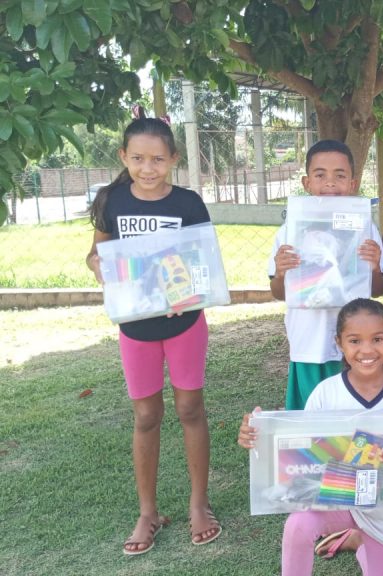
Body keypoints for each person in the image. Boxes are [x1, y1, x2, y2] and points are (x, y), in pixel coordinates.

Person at [85, 117, 222, 554]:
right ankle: (148, 513)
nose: (148, 168)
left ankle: (198, 504)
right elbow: (95, 252)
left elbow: (203, 261)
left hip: (184, 322)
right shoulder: (112, 201)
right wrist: (98, 265)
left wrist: (190, 290)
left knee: (190, 408)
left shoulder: (188, 203)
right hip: (136, 327)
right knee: (146, 415)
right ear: (123, 157)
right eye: (138, 158)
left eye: (158, 159)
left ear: (174, 159)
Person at [238, 299, 383, 576]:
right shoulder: (326, 393)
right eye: (355, 341)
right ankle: (349, 532)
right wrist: (259, 432)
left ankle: (359, 539)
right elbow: (301, 453)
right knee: (298, 525)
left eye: (377, 339)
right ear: (339, 343)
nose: (366, 350)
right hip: (334, 501)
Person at [268, 140, 383, 410]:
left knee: (352, 409)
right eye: (320, 175)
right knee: (311, 413)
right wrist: (281, 274)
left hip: (355, 340)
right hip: (308, 341)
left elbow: (377, 290)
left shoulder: (364, 228)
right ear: (306, 182)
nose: (330, 183)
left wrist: (373, 266)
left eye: (340, 175)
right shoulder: (290, 231)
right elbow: (278, 293)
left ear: (353, 184)